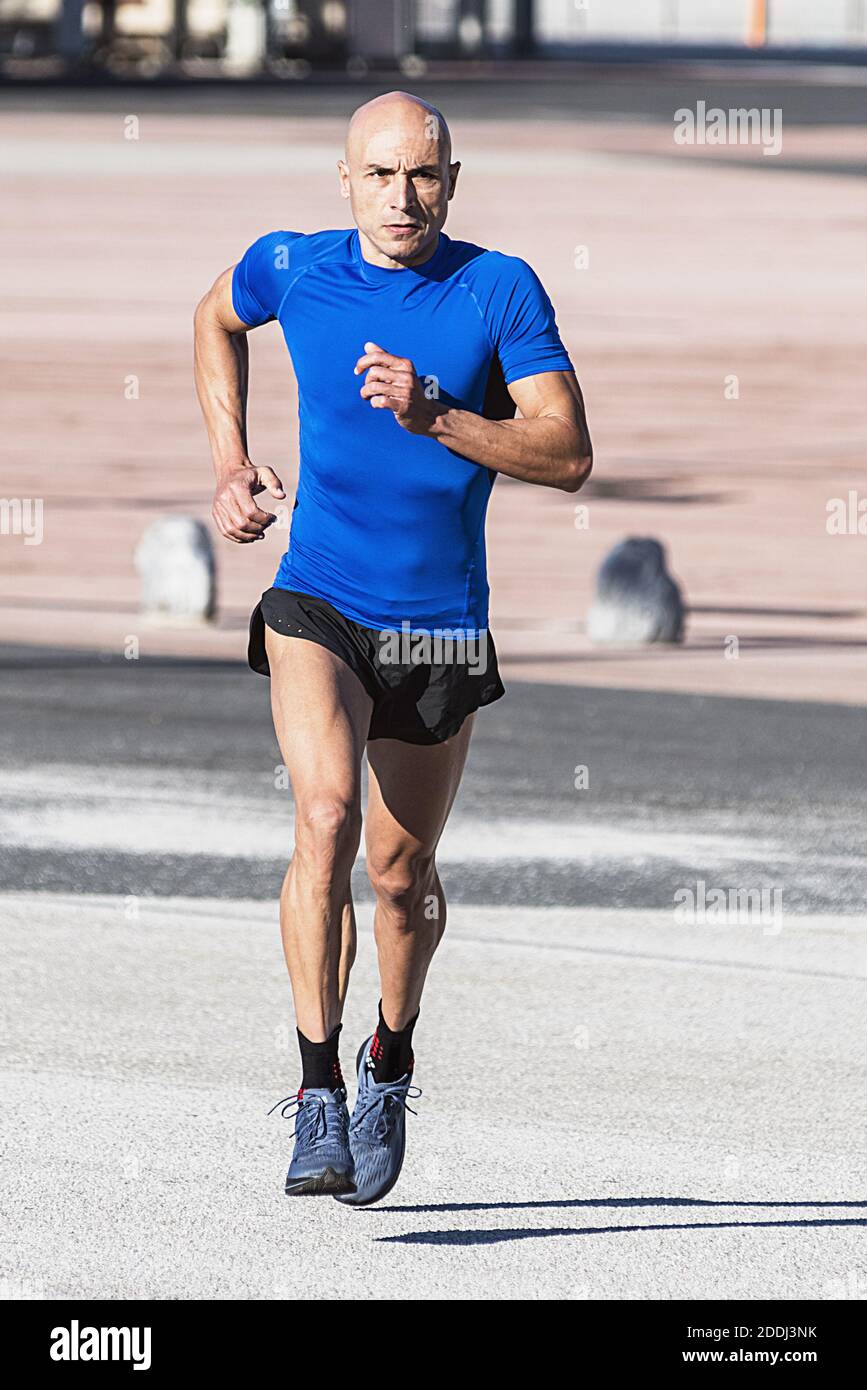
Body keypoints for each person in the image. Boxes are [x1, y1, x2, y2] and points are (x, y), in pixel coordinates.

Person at [193, 90, 592, 1205]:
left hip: (438, 625)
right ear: (346, 181)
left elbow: (567, 452)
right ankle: (317, 1088)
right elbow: (212, 318)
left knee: (400, 875)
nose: (402, 197)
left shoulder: (497, 286)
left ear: (453, 184)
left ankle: (389, 1058)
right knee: (323, 815)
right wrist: (230, 461)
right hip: (316, 595)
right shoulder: (297, 265)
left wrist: (440, 416)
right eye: (381, 175)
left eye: (423, 175)